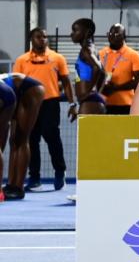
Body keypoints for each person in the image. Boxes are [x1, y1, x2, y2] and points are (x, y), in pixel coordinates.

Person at [14, 28, 73, 191]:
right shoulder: (21, 60)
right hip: (29, 104)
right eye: (38, 37)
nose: (42, 39)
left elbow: (67, 82)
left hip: (50, 103)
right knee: (31, 140)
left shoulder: (58, 58)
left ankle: (60, 171)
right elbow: (16, 84)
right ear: (31, 39)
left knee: (52, 136)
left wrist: (72, 104)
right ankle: (34, 178)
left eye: (45, 37)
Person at [0, 73, 44, 201]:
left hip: (29, 89)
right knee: (13, 140)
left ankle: (18, 188)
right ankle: (10, 185)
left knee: (20, 139)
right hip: (10, 93)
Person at [97, 24, 139, 115]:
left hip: (125, 105)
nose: (112, 36)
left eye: (116, 34)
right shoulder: (100, 54)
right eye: (110, 34)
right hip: (102, 103)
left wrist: (116, 88)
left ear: (124, 36)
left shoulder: (134, 55)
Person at [70, 18, 106, 117]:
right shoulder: (92, 48)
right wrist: (97, 92)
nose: (71, 34)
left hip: (89, 102)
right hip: (91, 101)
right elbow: (103, 73)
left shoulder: (86, 50)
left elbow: (97, 68)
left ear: (87, 32)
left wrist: (87, 92)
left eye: (75, 30)